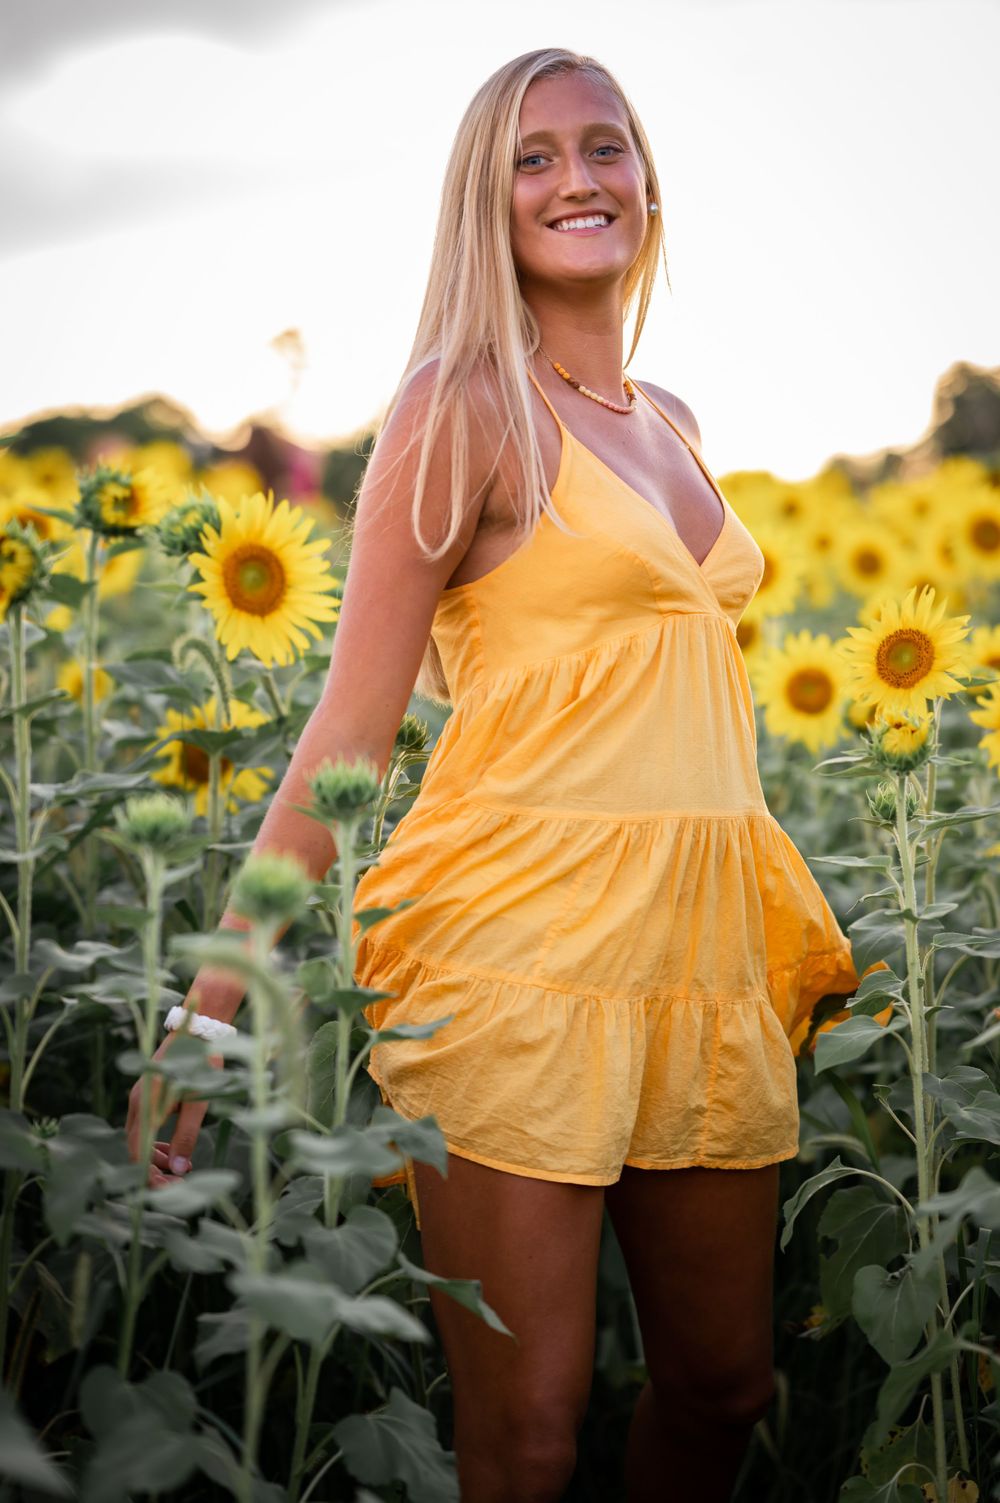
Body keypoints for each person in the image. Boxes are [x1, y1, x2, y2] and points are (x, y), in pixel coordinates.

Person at [128, 48, 867, 1503]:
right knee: (527, 1435)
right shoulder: (460, 408)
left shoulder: (677, 425)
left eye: (605, 148)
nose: (577, 179)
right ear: (487, 200)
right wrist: (207, 1019)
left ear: (649, 186)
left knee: (726, 1388)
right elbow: (346, 733)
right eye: (533, 158)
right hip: (519, 955)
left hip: (698, 952)